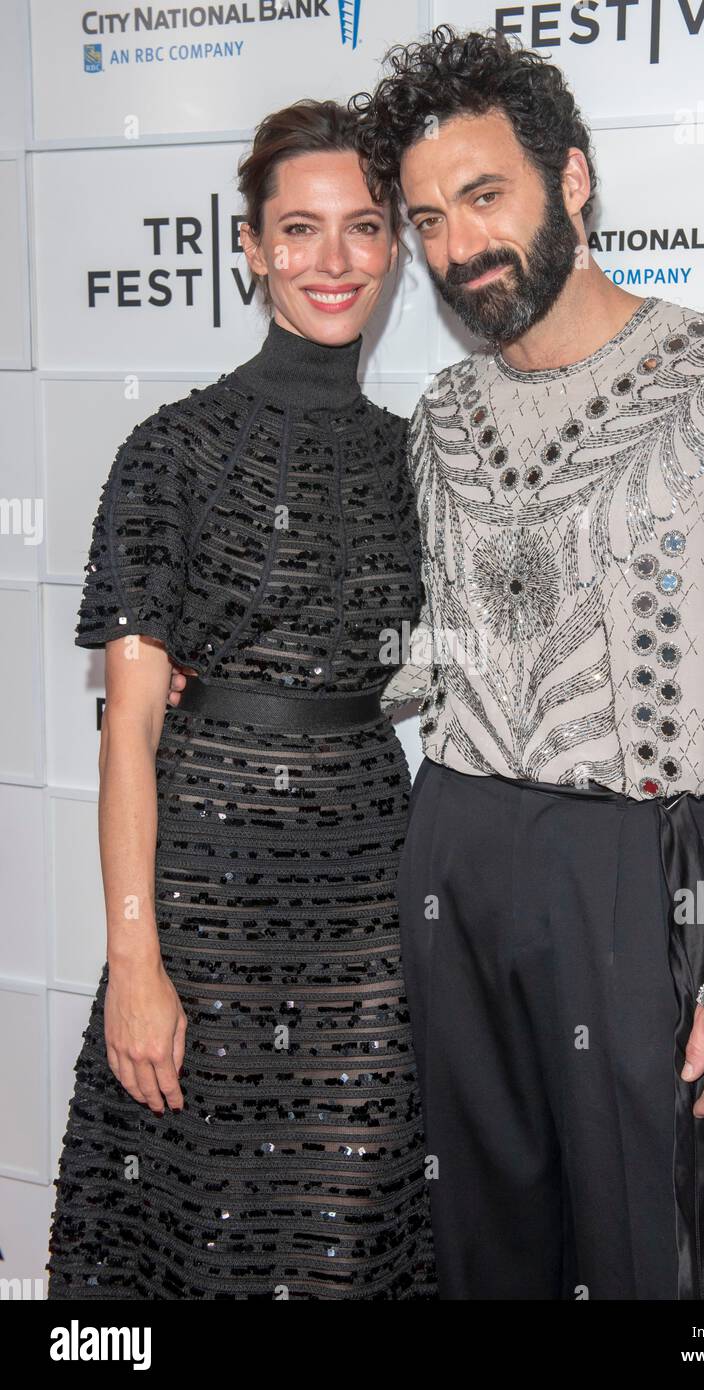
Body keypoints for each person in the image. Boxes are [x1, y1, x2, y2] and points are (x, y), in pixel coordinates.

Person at [338, 25, 704, 1299]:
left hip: (644, 870)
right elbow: (430, 647)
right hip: (457, 848)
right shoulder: (443, 420)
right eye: (426, 219)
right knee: (484, 1253)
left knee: (658, 1260)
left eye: (483, 196)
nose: (457, 248)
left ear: (572, 179)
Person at [46, 99, 437, 1300]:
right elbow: (130, 734)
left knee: (347, 1242)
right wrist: (135, 961)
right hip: (206, 906)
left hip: (370, 903)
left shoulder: (415, 458)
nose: (332, 260)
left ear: (393, 247)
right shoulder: (173, 451)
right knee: (193, 1237)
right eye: (300, 229)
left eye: (361, 228)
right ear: (252, 246)